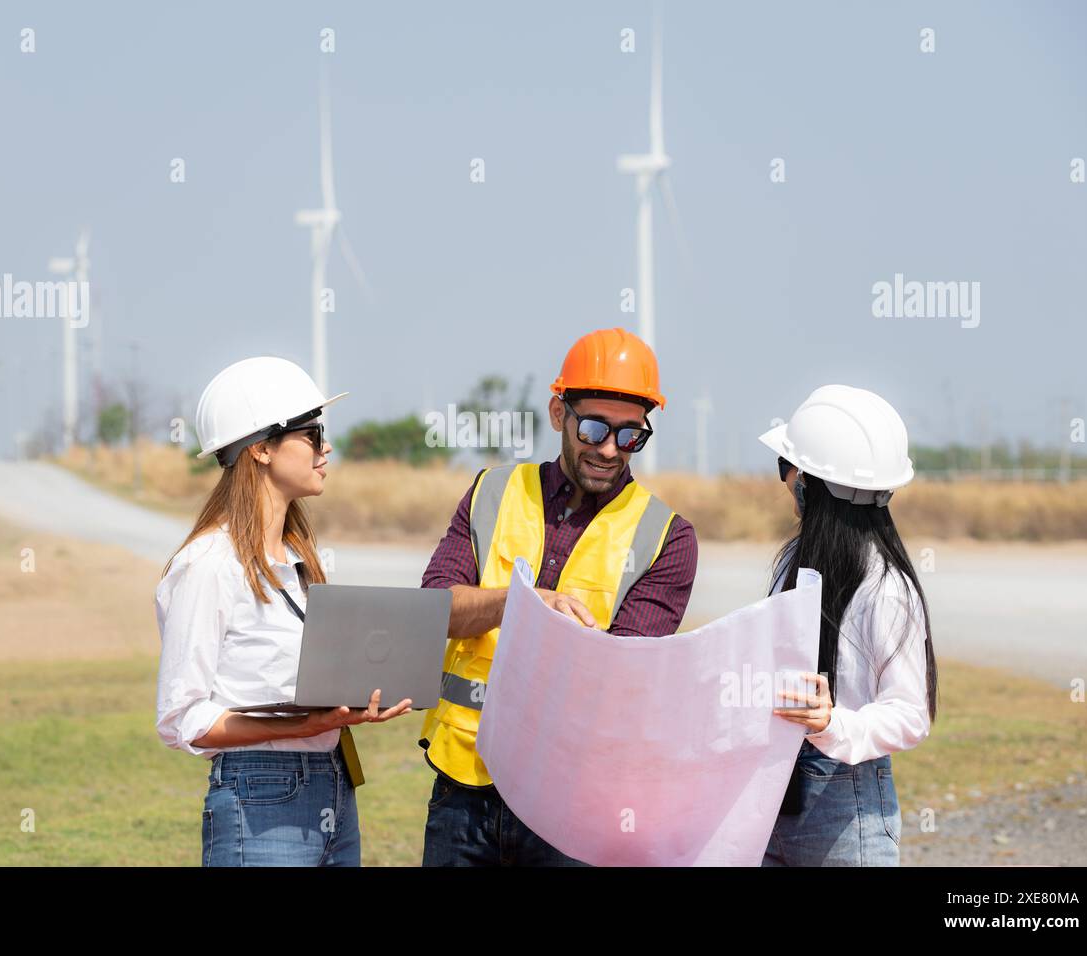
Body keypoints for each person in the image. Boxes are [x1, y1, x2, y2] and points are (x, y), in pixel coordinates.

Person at [418, 327, 699, 866]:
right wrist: (521, 604)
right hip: (462, 789)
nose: (610, 449)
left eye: (631, 436)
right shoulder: (491, 493)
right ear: (557, 413)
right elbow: (434, 613)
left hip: (572, 805)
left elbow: (625, 680)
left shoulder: (666, 536)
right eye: (594, 429)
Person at [155, 356, 412, 867]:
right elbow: (183, 719)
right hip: (260, 793)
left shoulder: (299, 561)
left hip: (334, 783)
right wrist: (300, 726)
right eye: (313, 433)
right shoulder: (207, 565)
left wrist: (350, 704)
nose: (327, 447)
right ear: (261, 449)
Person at [757, 384, 938, 867]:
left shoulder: (885, 587)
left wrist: (831, 723)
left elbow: (909, 713)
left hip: (844, 805)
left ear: (809, 484)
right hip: (772, 786)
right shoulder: (794, 561)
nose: (785, 481)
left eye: (787, 467)